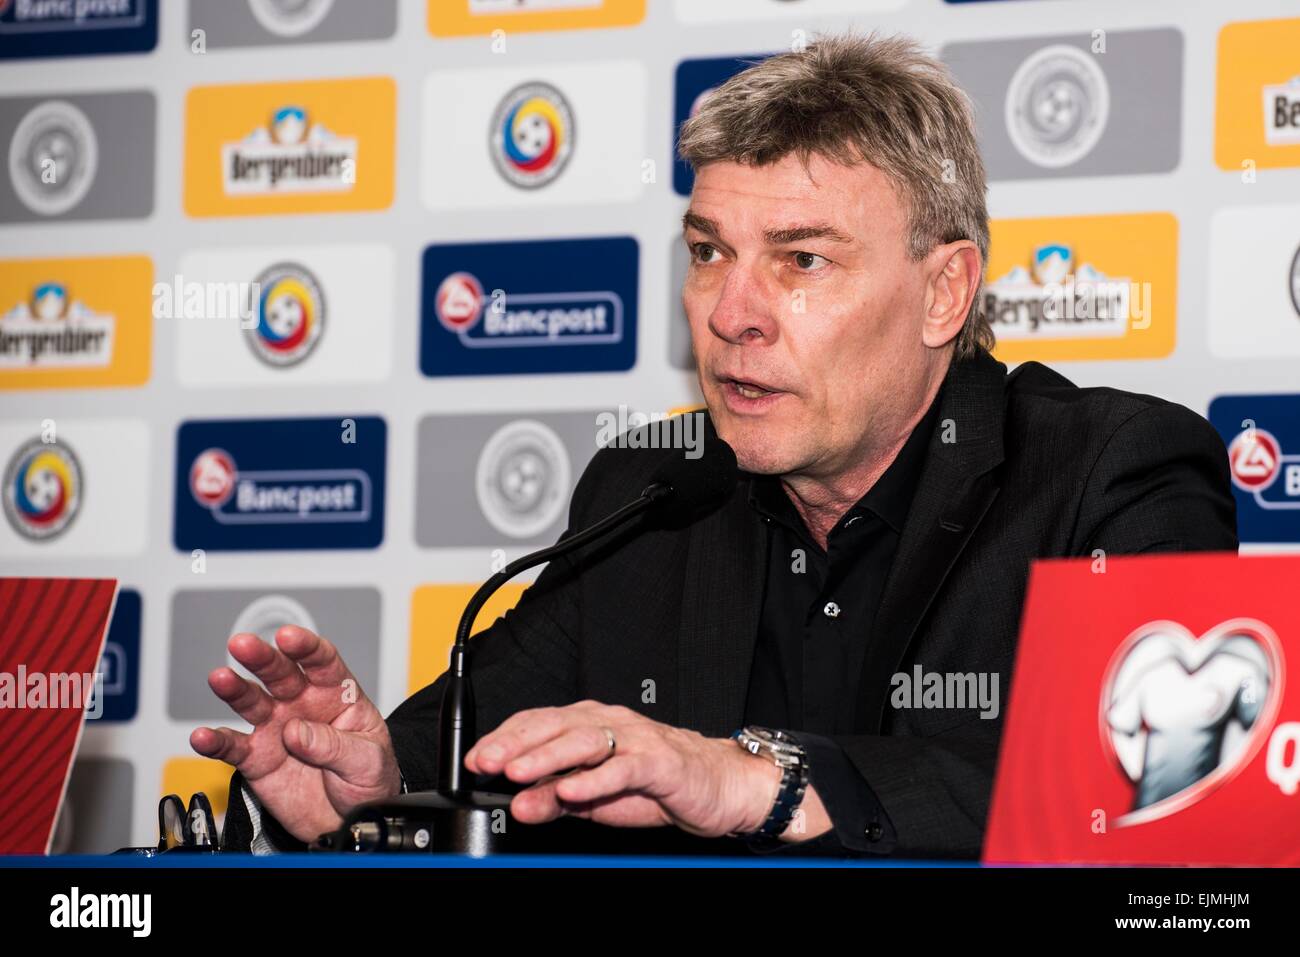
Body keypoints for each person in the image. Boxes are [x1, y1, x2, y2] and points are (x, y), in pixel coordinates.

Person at [190, 32, 1237, 858]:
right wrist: (370, 785)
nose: (731, 311)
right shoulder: (649, 494)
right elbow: (478, 745)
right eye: (707, 252)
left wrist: (761, 780)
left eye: (801, 261)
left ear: (942, 291)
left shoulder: (1113, 473)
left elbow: (1159, 800)